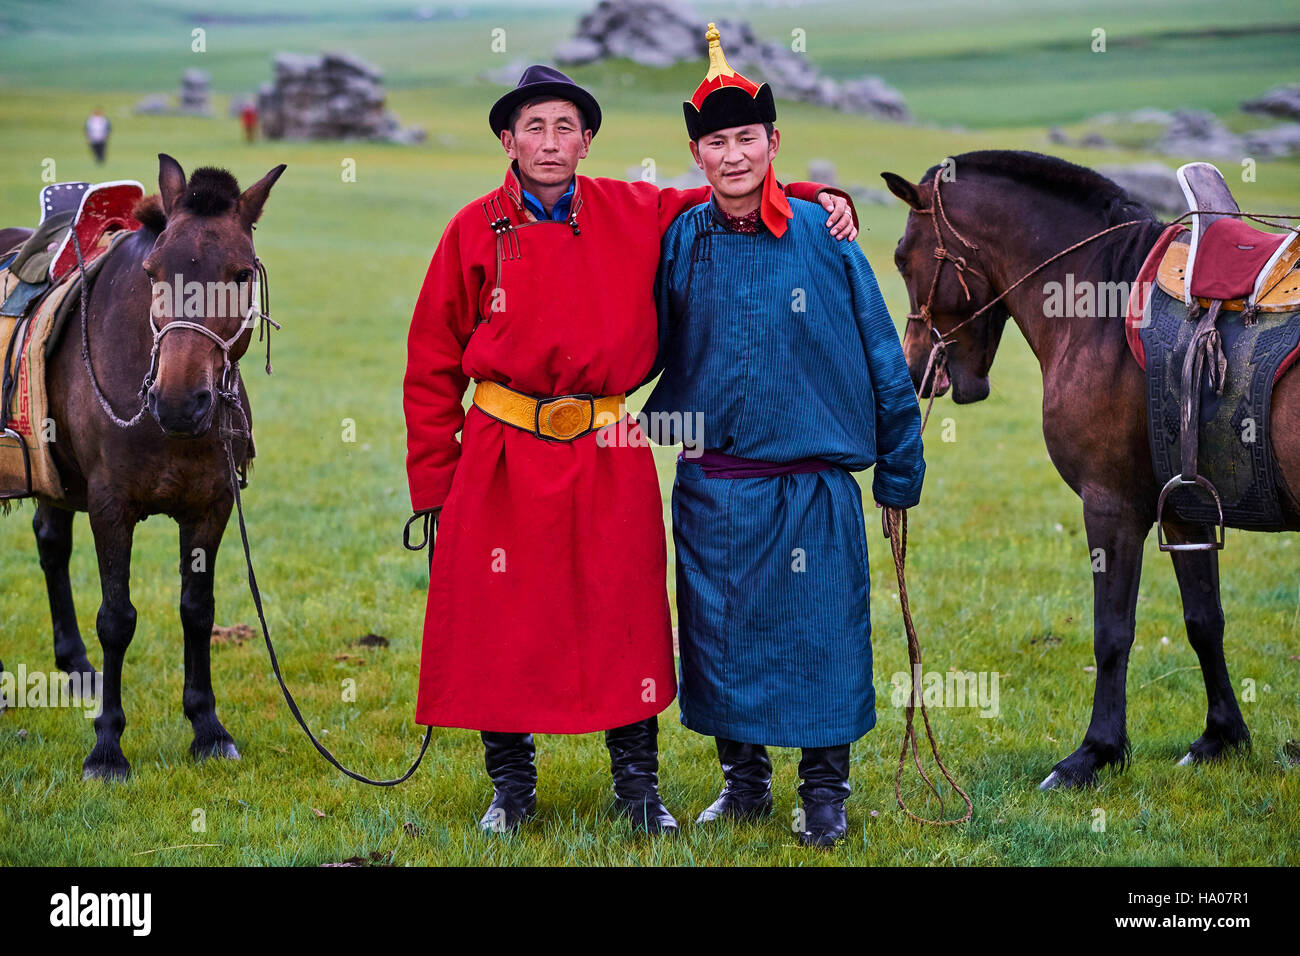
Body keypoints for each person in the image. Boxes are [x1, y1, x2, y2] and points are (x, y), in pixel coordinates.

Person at [402, 63, 858, 837]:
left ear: (587, 140)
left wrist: (815, 196)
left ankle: (638, 789)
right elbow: (431, 361)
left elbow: (717, 194)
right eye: (533, 127)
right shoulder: (472, 229)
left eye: (565, 127)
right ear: (507, 140)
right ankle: (511, 790)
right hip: (502, 454)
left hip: (609, 445)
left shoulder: (630, 208)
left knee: (628, 611)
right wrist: (434, 486)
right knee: (499, 620)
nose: (549, 142)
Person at [640, 25, 925, 847]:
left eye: (747, 138)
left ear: (773, 142)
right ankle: (745, 784)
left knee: (822, 637)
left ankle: (825, 794)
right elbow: (639, 335)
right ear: (697, 155)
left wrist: (898, 474)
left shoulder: (825, 239)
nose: (733, 156)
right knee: (721, 638)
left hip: (814, 487)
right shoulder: (680, 242)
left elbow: (882, 360)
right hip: (717, 487)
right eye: (716, 142)